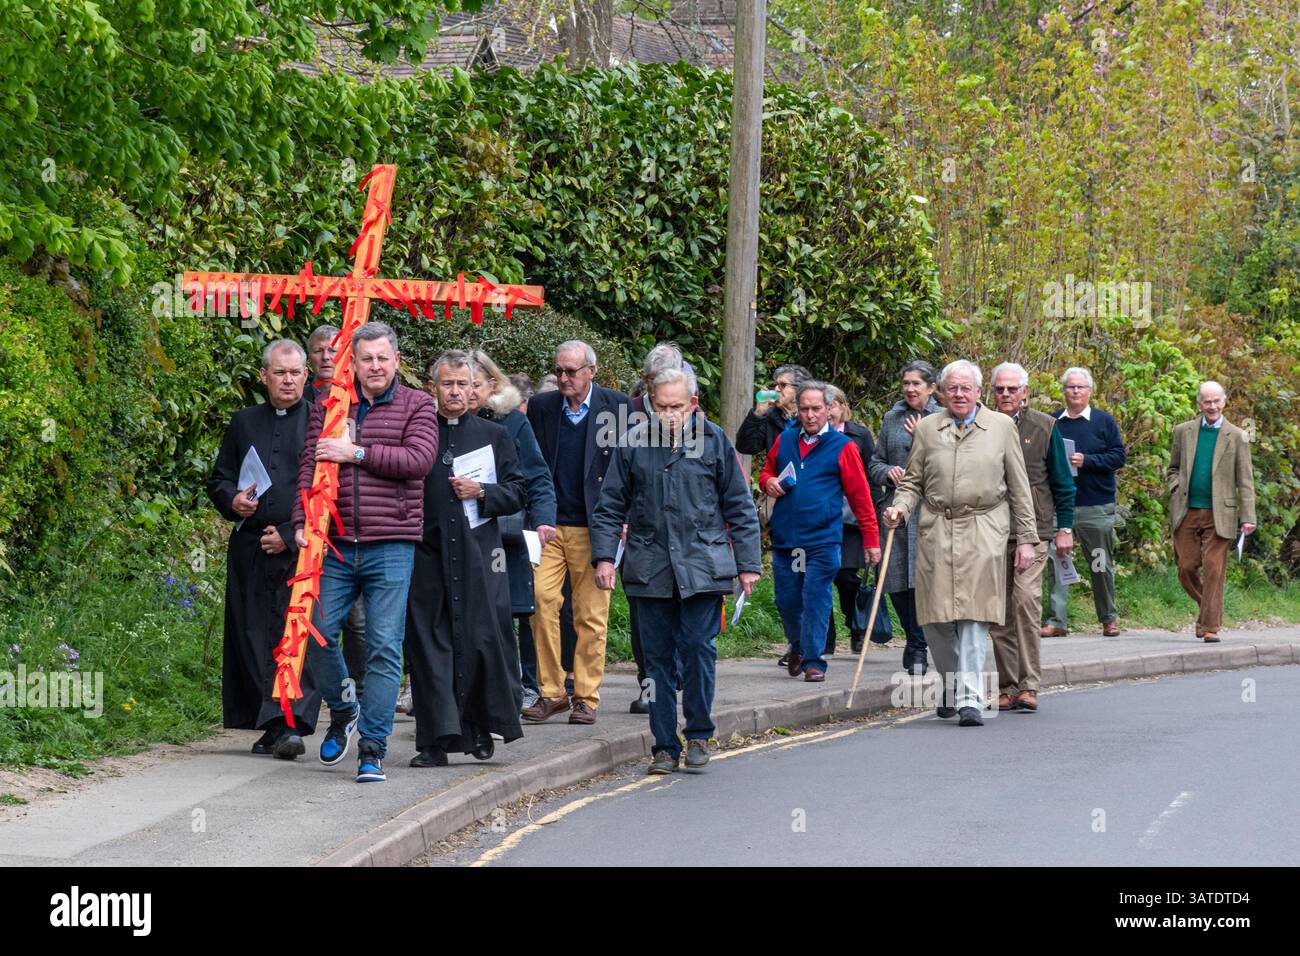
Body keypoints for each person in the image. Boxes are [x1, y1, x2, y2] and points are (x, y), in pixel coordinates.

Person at [590, 368, 762, 773]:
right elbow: (610, 505)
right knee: (657, 660)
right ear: (650, 403)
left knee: (699, 650)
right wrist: (602, 557)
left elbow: (739, 504)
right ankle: (665, 746)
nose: (669, 415)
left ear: (693, 405)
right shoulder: (632, 442)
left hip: (703, 565)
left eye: (677, 407)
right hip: (650, 568)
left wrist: (748, 565)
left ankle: (699, 733)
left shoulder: (715, 441)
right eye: (661, 406)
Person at [292, 321, 437, 783]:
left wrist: (354, 452)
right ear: (351, 362)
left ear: (396, 360)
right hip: (332, 543)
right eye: (365, 358)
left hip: (391, 544)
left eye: (382, 358)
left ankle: (373, 747)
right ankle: (344, 708)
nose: (374, 366)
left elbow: (418, 462)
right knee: (312, 631)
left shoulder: (418, 403)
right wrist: (300, 522)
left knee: (383, 648)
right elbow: (308, 467)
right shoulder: (330, 404)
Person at [883, 360, 1039, 727]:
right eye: (952, 388)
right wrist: (899, 509)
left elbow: (1019, 485)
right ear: (941, 392)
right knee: (934, 618)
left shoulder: (1001, 427)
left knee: (973, 616)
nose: (959, 394)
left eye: (966, 388)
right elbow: (913, 482)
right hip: (936, 528)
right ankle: (953, 688)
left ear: (978, 392)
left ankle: (969, 698)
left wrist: (1028, 538)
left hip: (984, 528)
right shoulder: (927, 428)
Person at [405, 351, 528, 766]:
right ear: (432, 387)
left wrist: (483, 494)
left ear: (476, 388)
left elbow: (518, 490)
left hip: (479, 558)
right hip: (427, 555)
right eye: (448, 384)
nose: (456, 392)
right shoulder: (418, 433)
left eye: (464, 384)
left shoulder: (494, 436)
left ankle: (479, 730)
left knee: (479, 642)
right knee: (430, 647)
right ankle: (434, 742)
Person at [207, 340, 321, 758]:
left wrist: (291, 533)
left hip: (300, 547)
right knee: (253, 635)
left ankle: (292, 724)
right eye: (279, 372)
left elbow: (329, 491)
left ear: (306, 376)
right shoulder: (243, 422)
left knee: (294, 636)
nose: (287, 380)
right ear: (264, 377)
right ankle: (272, 722)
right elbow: (219, 479)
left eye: (295, 373)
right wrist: (231, 501)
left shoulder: (321, 423)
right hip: (251, 548)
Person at [522, 341, 630, 725]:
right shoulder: (541, 406)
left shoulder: (618, 407)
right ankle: (551, 692)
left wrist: (624, 520)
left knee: (590, 614)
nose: (563, 378)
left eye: (571, 371)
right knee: (540, 601)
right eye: (559, 371)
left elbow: (627, 469)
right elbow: (533, 466)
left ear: (592, 371)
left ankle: (586, 696)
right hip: (548, 524)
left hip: (595, 526)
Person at [759, 381, 881, 681]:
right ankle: (798, 645)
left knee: (816, 596)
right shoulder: (786, 440)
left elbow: (860, 497)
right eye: (805, 409)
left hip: (822, 539)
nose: (811, 415)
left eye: (816, 409)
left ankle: (815, 661)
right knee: (787, 600)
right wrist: (768, 482)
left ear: (829, 410)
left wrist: (871, 540)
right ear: (797, 411)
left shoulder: (843, 447)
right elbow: (767, 470)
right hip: (788, 539)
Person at [466, 350, 557, 712]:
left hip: (503, 531)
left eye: (476, 383)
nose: (468, 391)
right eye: (460, 383)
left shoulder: (512, 423)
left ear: (492, 384)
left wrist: (543, 519)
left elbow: (536, 475)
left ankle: (526, 685)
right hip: (457, 531)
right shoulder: (437, 420)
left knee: (514, 610)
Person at [987, 362, 1076, 713]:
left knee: (1025, 602)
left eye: (1012, 389)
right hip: (992, 531)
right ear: (991, 392)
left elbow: (1063, 482)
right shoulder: (984, 426)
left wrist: (1064, 527)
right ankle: (1007, 687)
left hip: (1033, 531)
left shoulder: (1045, 426)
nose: (1006, 395)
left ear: (1025, 391)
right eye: (1000, 389)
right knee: (1000, 612)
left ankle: (1030, 685)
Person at [868, 360, 942, 675]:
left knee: (924, 583)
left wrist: (921, 437)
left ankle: (918, 647)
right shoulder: (891, 418)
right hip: (896, 515)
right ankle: (914, 639)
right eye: (907, 383)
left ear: (932, 388)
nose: (910, 389)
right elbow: (874, 462)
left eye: (917, 384)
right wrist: (887, 472)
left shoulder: (944, 419)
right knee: (897, 583)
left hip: (930, 514)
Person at [1169, 381, 1256, 643]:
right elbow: (1173, 468)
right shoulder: (1183, 431)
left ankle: (1209, 626)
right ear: (1199, 404)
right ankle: (1210, 610)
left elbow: (1246, 480)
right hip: (1187, 511)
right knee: (1185, 567)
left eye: (1216, 400)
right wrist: (1175, 486)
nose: (1212, 406)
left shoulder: (1238, 436)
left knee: (1214, 569)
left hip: (1221, 513)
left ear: (1224, 402)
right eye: (1207, 401)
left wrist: (1248, 516)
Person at [306, 324, 367, 700]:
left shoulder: (361, 398)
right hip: (310, 520)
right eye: (319, 351)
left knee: (359, 622)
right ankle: (322, 691)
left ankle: (359, 690)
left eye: (334, 350)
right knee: (315, 620)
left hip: (352, 520)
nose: (327, 357)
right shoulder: (303, 397)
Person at [1045, 367, 1127, 637]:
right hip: (1060, 504)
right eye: (1070, 387)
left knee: (1099, 562)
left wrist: (1087, 460)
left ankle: (1108, 618)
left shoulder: (1104, 421)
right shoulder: (1053, 421)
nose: (1075, 391)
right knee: (1057, 560)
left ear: (1090, 391)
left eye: (1080, 387)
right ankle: (1057, 621)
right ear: (1064, 391)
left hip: (1095, 503)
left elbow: (1118, 457)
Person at [826, 384, 879, 655]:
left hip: (850, 521)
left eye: (832, 405)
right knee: (820, 576)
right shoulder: (807, 437)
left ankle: (856, 626)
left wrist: (871, 519)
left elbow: (871, 477)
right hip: (821, 520)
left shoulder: (859, 436)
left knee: (846, 577)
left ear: (842, 407)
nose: (827, 412)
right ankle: (825, 639)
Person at [735, 364, 810, 458]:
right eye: (776, 385)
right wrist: (758, 414)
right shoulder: (771, 416)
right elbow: (745, 447)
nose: (776, 389)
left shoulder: (812, 417)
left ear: (799, 390)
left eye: (783, 385)